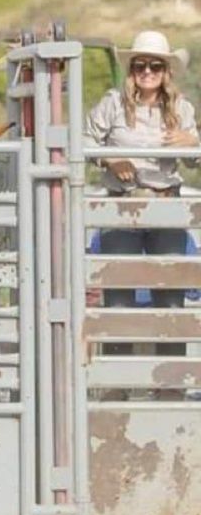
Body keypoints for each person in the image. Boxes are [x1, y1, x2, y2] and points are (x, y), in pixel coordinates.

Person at [85, 30, 198, 364]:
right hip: (123, 203)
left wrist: (191, 142)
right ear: (131, 70)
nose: (147, 73)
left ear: (166, 72)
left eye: (155, 67)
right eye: (140, 66)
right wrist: (111, 158)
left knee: (170, 296)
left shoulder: (181, 109)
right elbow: (85, 140)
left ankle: (170, 381)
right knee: (119, 296)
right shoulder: (112, 103)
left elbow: (193, 158)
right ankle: (119, 380)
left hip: (165, 203)